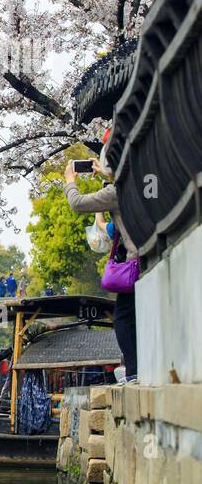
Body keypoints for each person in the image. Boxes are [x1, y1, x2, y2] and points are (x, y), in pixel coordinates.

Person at [64, 153, 138, 381]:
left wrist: (70, 182)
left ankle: (134, 371)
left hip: (136, 262)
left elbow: (77, 204)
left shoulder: (116, 192)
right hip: (154, 254)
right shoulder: (139, 183)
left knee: (123, 318)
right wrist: (106, 176)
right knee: (133, 316)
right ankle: (136, 368)